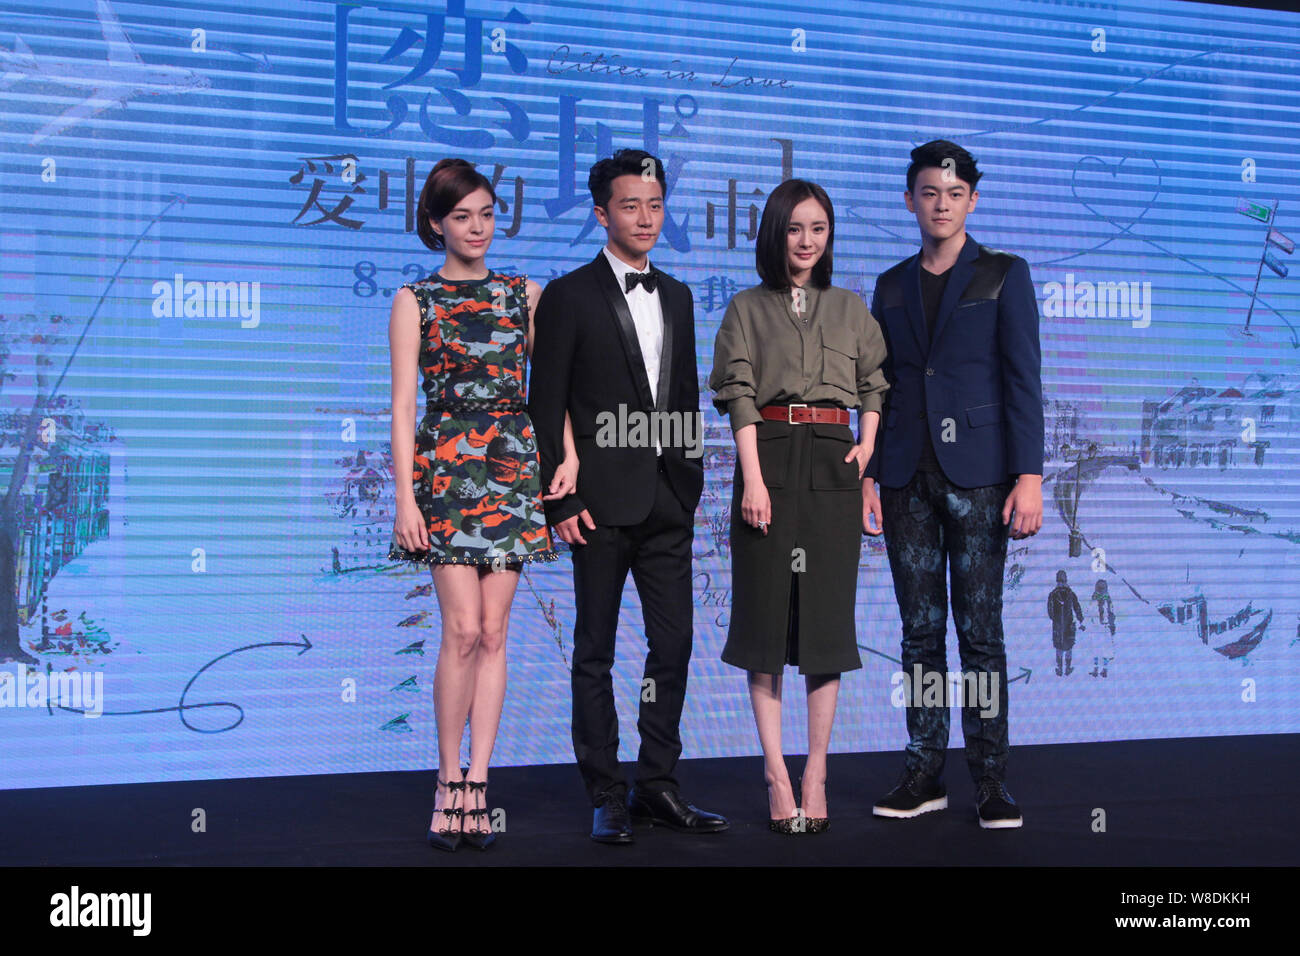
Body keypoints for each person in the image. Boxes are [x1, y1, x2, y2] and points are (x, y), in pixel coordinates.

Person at [528, 148, 728, 844]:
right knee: (595, 652)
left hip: (668, 503)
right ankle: (606, 791)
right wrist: (559, 502)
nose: (644, 217)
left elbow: (683, 398)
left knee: (673, 646)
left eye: (654, 204)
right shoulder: (568, 294)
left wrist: (690, 480)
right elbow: (544, 401)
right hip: (596, 507)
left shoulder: (676, 295)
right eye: (629, 205)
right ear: (601, 213)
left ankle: (659, 784)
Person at [388, 158, 577, 852]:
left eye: (487, 214)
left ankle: (479, 781)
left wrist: (569, 455)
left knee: (495, 633)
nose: (477, 228)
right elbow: (404, 405)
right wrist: (404, 496)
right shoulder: (415, 300)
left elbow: (550, 388)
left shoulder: (526, 295)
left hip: (513, 468)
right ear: (435, 223)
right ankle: (445, 779)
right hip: (443, 470)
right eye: (462, 216)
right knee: (461, 629)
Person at [865, 140, 1044, 829]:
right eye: (928, 193)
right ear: (909, 200)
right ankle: (923, 769)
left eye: (954, 193)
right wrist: (871, 474)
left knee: (981, 635)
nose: (941, 204)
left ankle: (991, 779)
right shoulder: (888, 284)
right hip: (906, 477)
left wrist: (1029, 477)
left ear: (973, 199)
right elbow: (877, 387)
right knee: (918, 635)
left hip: (981, 480)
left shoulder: (1004, 274)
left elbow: (1024, 380)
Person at [708, 179, 888, 833]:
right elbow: (739, 398)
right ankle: (775, 771)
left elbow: (874, 382)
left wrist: (866, 447)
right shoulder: (746, 309)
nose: (807, 241)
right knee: (764, 625)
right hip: (771, 455)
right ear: (774, 233)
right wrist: (753, 481)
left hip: (834, 461)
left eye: (818, 228)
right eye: (794, 229)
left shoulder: (850, 307)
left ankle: (816, 770)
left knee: (825, 631)